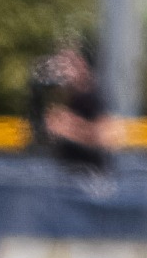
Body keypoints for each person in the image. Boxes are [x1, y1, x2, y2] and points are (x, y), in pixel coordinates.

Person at [28, 39, 121, 173]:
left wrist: (69, 129)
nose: (62, 70)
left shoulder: (96, 96)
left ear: (83, 65)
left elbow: (107, 138)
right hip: (69, 177)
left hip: (93, 182)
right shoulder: (64, 97)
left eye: (68, 64)